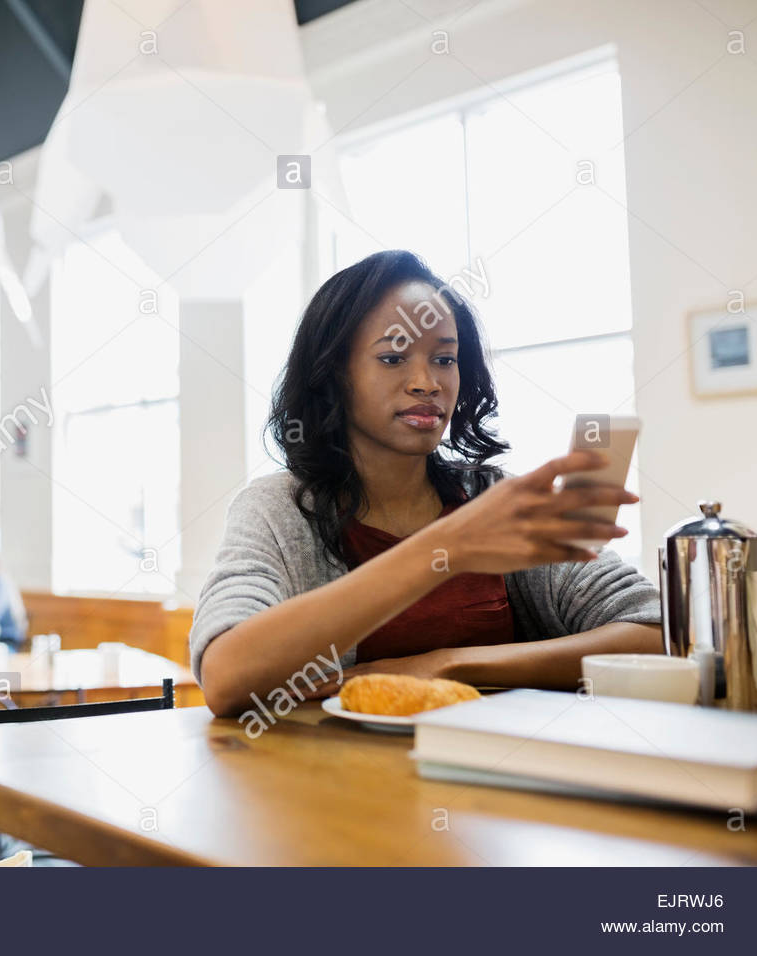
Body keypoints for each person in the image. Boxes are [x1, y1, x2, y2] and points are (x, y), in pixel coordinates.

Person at [191, 250, 662, 718]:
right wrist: (446, 548)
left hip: (494, 775)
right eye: (393, 357)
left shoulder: (490, 498)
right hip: (339, 781)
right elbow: (227, 679)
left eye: (444, 358)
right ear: (335, 375)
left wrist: (447, 665)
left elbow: (655, 635)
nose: (426, 382)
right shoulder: (277, 509)